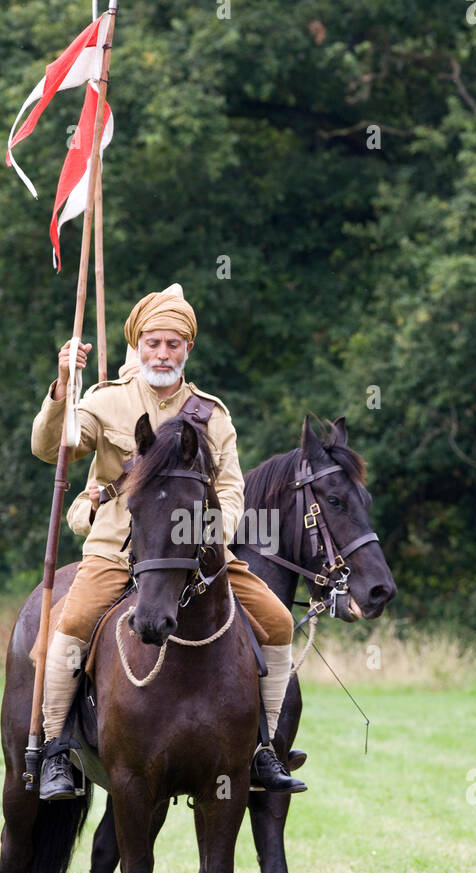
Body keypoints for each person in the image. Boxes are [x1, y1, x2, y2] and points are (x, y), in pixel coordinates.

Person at [31, 282, 306, 801]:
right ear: (138, 347)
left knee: (278, 621)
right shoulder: (105, 401)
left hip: (199, 554)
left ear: (187, 350)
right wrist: (63, 386)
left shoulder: (212, 413)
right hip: (118, 548)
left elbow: (230, 487)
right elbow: (52, 448)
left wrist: (214, 536)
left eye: (173, 344)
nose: (162, 353)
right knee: (67, 629)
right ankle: (55, 753)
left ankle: (263, 750)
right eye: (153, 343)